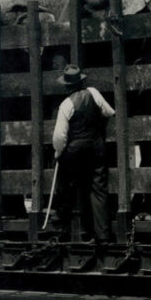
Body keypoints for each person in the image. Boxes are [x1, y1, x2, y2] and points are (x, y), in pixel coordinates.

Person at [51, 65, 116, 243]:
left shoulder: (66, 104)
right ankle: (103, 235)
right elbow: (109, 112)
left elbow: (59, 137)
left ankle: (67, 228)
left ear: (67, 86)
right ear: (81, 82)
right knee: (98, 189)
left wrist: (58, 153)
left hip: (76, 151)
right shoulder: (94, 93)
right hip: (96, 147)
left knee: (68, 185)